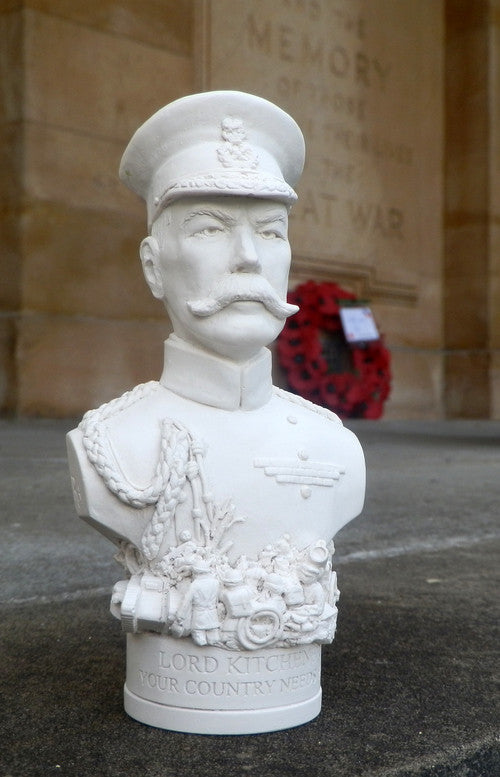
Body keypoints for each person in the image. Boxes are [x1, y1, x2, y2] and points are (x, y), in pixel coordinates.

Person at [67, 90, 365, 643]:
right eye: (210, 227)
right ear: (154, 268)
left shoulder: (335, 446)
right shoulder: (110, 443)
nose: (249, 255)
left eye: (271, 230)